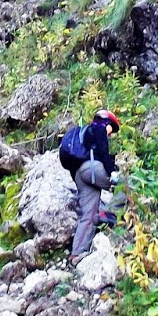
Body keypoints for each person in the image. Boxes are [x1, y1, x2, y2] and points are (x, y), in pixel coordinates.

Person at [71, 108, 120, 262]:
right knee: (126, 184)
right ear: (108, 122)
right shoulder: (99, 128)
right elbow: (104, 153)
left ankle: (76, 253)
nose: (111, 134)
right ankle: (110, 212)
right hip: (92, 168)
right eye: (112, 129)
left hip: (79, 174)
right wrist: (113, 171)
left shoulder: (85, 132)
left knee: (88, 215)